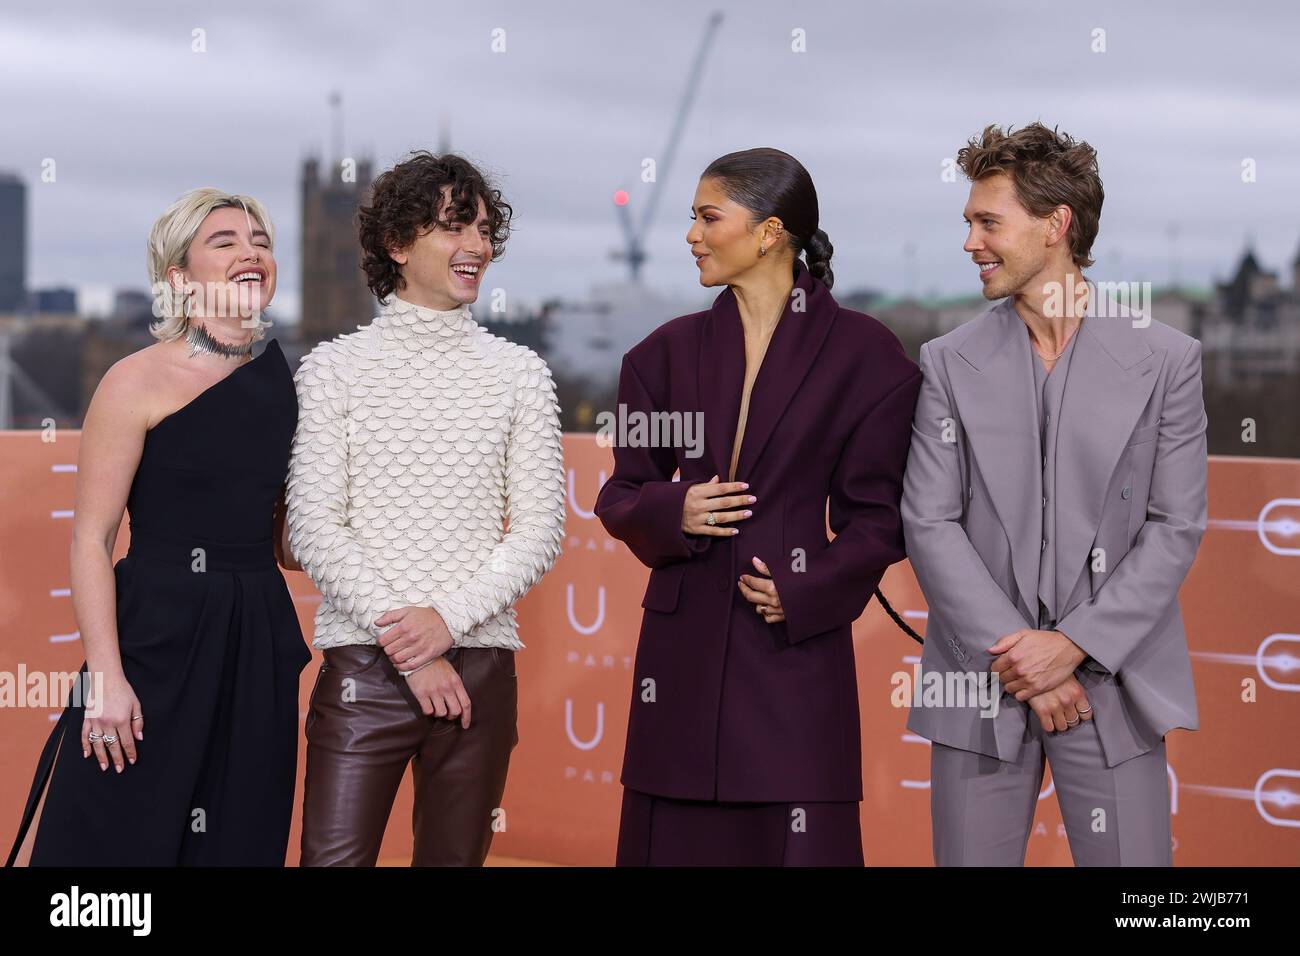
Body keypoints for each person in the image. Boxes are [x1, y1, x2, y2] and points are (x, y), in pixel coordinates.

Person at [595, 147, 922, 866]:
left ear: (771, 231)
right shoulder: (661, 356)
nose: (691, 235)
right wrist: (673, 508)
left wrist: (808, 591)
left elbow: (879, 517)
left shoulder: (867, 357)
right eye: (692, 218)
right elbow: (619, 494)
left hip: (794, 661)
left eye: (709, 217)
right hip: (678, 669)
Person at [901, 123, 1206, 866]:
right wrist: (1025, 665)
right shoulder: (947, 362)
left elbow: (1175, 526)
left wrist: (1071, 648)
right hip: (981, 682)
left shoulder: (1167, 360)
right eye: (968, 222)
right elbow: (929, 520)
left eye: (987, 222)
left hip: (1115, 680)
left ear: (1056, 224)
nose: (970, 242)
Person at [5, 188, 310, 866]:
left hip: (255, 636)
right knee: (108, 843)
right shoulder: (133, 382)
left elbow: (290, 540)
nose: (251, 251)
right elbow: (90, 537)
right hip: (153, 635)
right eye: (224, 242)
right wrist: (106, 677)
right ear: (179, 277)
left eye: (259, 240)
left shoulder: (288, 382)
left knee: (237, 837)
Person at [286, 151, 565, 866]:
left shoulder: (521, 375)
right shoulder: (331, 370)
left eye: (482, 228)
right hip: (363, 670)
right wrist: (411, 650)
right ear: (398, 245)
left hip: (477, 671)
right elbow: (315, 527)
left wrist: (446, 623)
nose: (477, 246)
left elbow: (539, 533)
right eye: (453, 227)